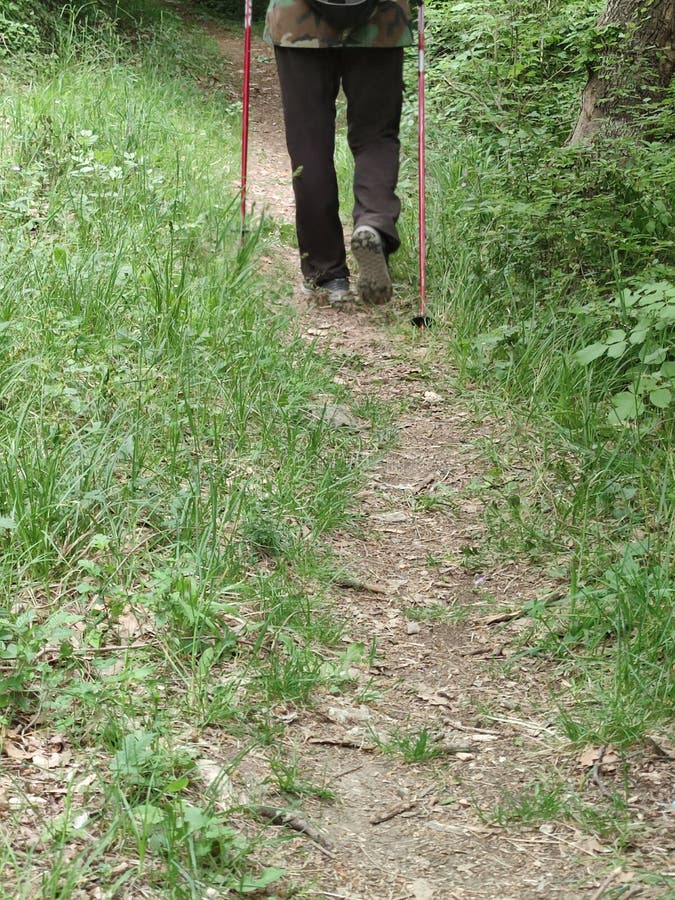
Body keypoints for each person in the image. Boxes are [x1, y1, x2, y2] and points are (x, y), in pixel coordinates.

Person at [263, 0, 413, 306]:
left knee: (309, 143)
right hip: (383, 19)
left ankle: (327, 275)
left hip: (297, 21)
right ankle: (374, 222)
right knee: (376, 135)